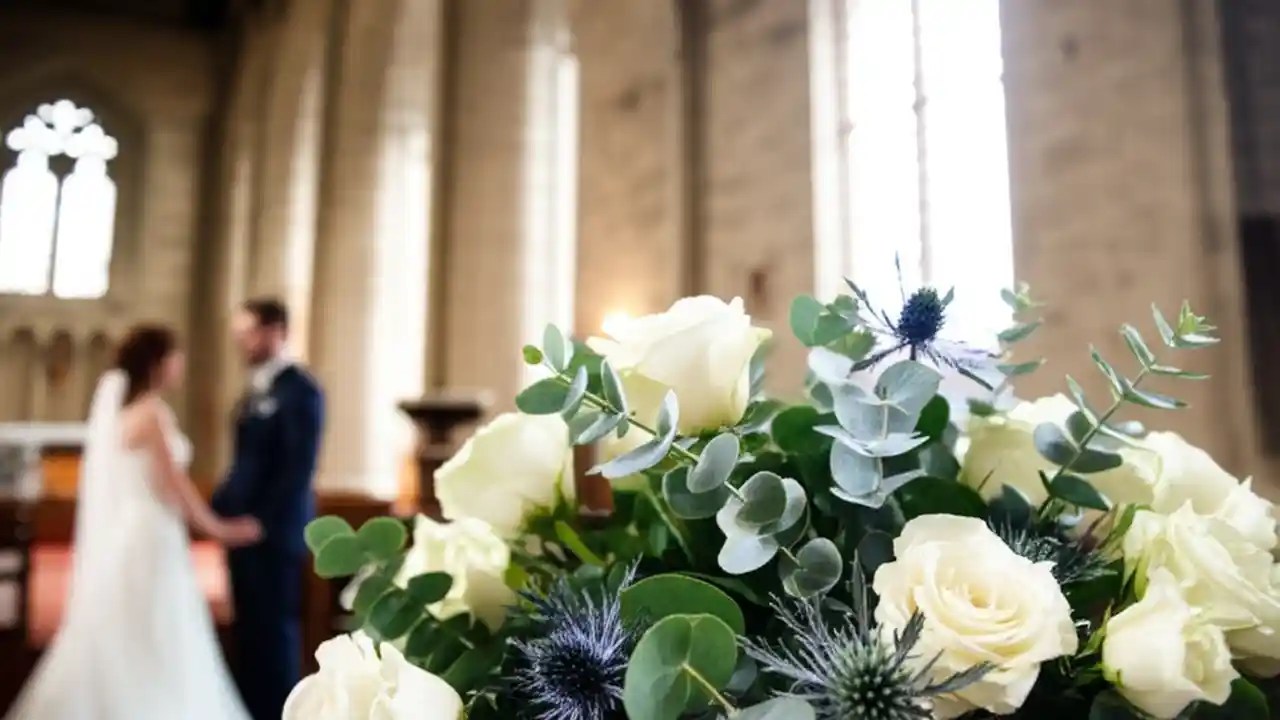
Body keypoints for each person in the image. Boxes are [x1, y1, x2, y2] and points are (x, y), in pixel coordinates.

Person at [6, 326, 258, 720]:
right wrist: (220, 529)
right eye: (176, 356)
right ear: (158, 363)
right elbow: (173, 486)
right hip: (153, 535)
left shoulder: (123, 415)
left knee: (129, 628)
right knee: (158, 630)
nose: (182, 364)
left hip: (132, 532)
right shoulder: (152, 414)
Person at [213, 298, 324, 720]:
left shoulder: (301, 390)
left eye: (249, 332)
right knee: (248, 634)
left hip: (273, 533)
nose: (242, 342)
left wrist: (261, 522)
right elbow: (244, 463)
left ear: (276, 330)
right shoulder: (256, 387)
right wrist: (219, 511)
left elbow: (298, 467)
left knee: (275, 634)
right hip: (239, 530)